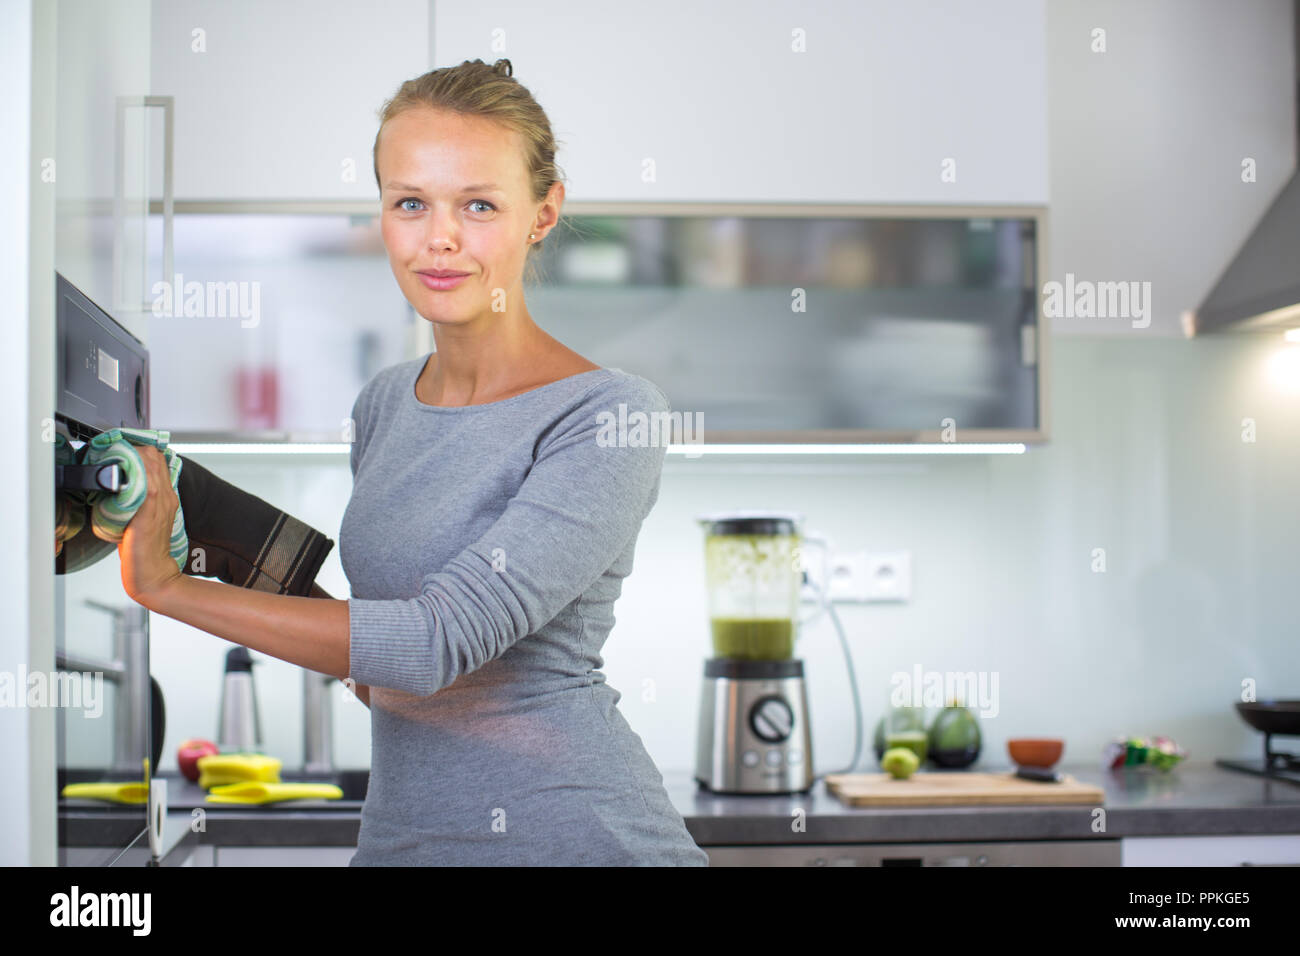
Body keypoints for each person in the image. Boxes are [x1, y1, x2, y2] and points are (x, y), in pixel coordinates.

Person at [120, 58, 708, 866]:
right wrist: (218, 534)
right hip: (406, 840)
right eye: (410, 203)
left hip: (573, 838)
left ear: (543, 213)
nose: (440, 238)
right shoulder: (386, 404)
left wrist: (169, 588)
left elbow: (431, 645)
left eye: (479, 204)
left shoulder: (609, 415)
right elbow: (380, 667)